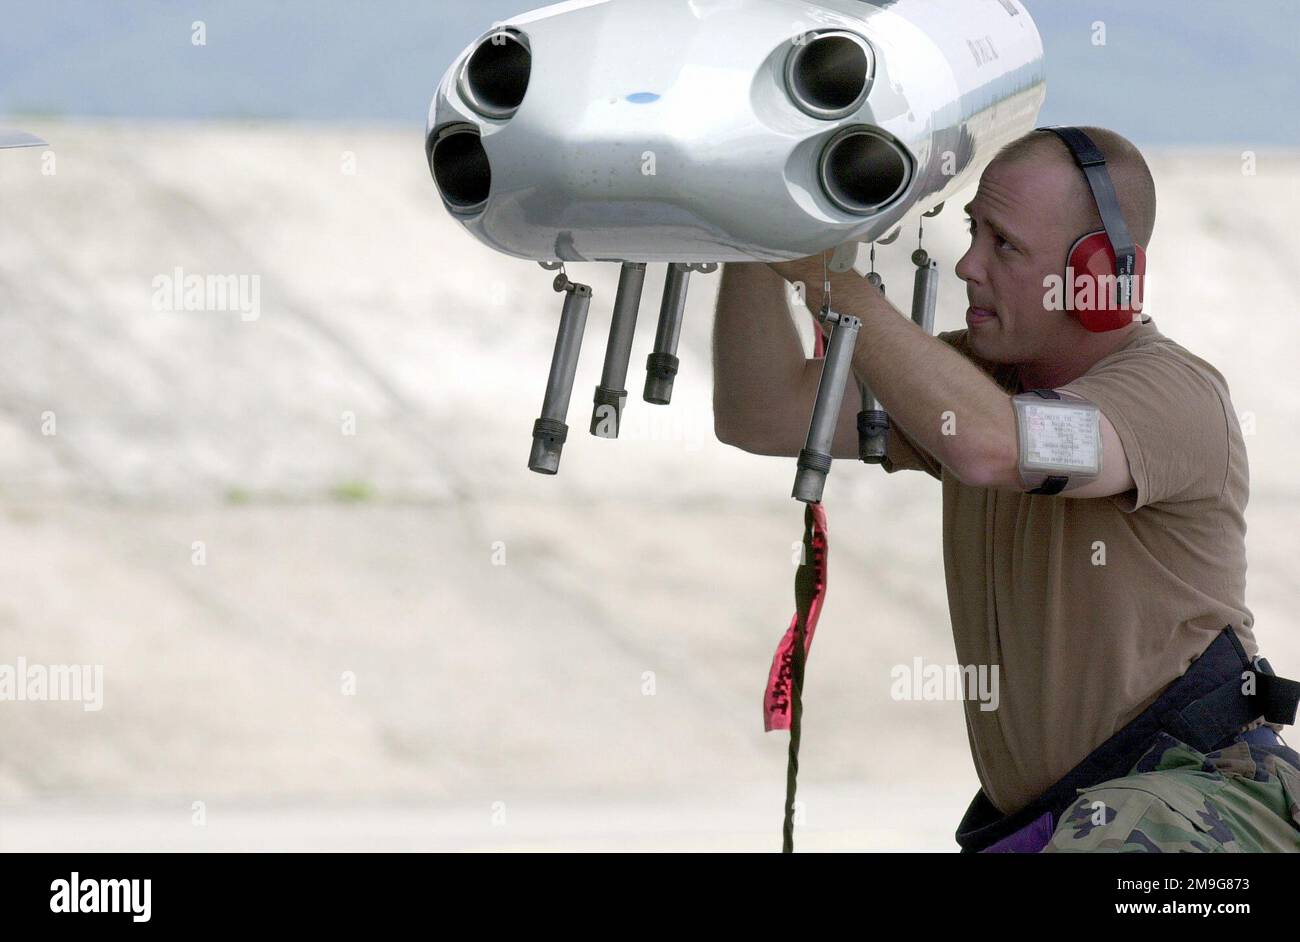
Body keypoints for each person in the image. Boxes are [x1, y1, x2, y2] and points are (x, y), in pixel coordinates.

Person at [711, 126, 1300, 852]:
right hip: (1062, 820)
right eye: (972, 232)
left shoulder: (1172, 396)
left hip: (1202, 805)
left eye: (1004, 246)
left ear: (1095, 272)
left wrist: (836, 283)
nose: (967, 266)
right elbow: (761, 412)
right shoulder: (974, 388)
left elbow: (1000, 447)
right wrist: (756, 242)